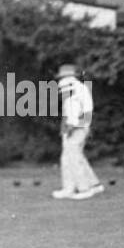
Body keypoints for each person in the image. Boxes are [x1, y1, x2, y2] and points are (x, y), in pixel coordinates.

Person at [52, 64, 104, 200]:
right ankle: (92, 185)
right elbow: (85, 109)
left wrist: (70, 127)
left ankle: (84, 189)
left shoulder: (69, 86)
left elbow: (72, 109)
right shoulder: (81, 87)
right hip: (80, 125)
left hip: (75, 126)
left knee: (72, 157)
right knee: (72, 156)